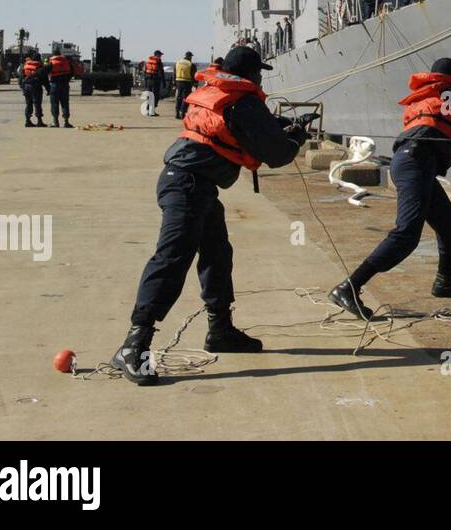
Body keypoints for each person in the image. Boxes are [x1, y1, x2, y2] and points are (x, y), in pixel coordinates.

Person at [110, 45, 309, 385]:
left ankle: (221, 330)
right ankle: (134, 343)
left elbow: (240, 124)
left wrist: (278, 125)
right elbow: (275, 154)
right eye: (259, 72)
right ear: (251, 74)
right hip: (188, 186)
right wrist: (296, 138)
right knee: (172, 258)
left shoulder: (216, 89)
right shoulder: (244, 100)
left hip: (192, 183)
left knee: (217, 253)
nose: (261, 77)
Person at [328, 58, 451, 317]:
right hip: (416, 164)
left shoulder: (428, 100)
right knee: (407, 234)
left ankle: (445, 281)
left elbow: (440, 136)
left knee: (449, 220)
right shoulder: (450, 92)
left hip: (414, 161)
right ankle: (349, 286)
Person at [20, 51, 49, 128]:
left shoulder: (26, 65)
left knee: (28, 103)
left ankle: (27, 121)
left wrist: (22, 88)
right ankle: (39, 121)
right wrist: (48, 90)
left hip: (26, 86)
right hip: (36, 87)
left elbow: (21, 77)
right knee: (37, 104)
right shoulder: (40, 67)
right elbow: (45, 80)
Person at [48, 51, 75, 129]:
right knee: (65, 103)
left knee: (54, 103)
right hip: (65, 85)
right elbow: (72, 72)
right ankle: (66, 122)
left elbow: (43, 72)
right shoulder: (66, 62)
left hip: (54, 85)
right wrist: (67, 79)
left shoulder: (51, 63)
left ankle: (55, 122)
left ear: (53, 55)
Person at [174, 51, 196, 119]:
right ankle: (183, 113)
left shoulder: (177, 62)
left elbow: (174, 73)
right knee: (185, 98)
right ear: (190, 57)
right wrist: (195, 84)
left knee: (179, 97)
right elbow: (193, 75)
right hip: (187, 82)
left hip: (178, 82)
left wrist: (174, 83)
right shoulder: (191, 64)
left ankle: (177, 112)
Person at [144, 50, 165, 115]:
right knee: (155, 96)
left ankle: (147, 110)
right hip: (155, 80)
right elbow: (161, 72)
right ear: (158, 55)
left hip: (148, 80)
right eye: (160, 55)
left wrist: (145, 82)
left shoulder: (148, 61)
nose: (161, 56)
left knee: (149, 95)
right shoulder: (158, 61)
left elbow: (145, 71)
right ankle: (152, 111)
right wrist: (164, 82)